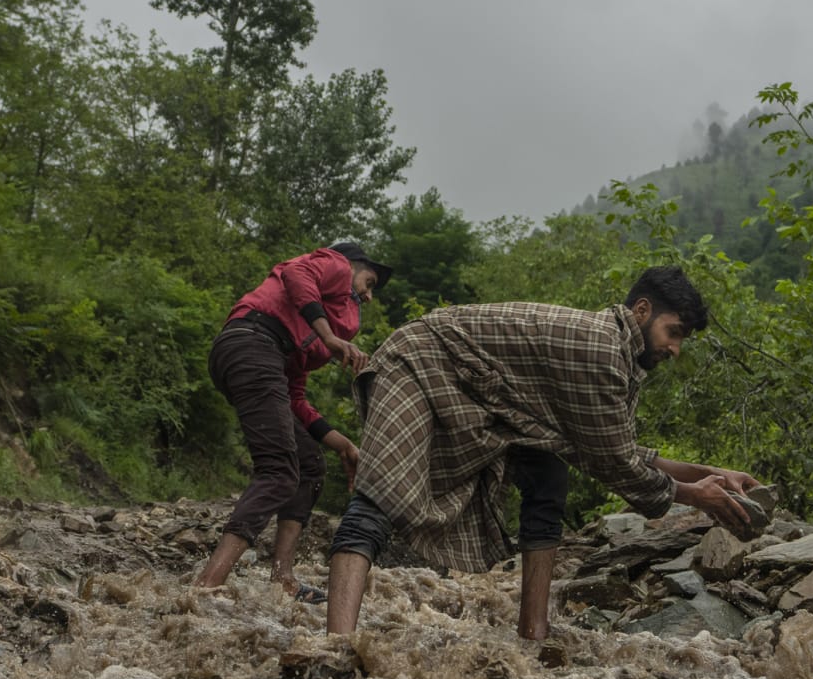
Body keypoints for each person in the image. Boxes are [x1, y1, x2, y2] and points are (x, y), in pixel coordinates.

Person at [323, 265, 759, 639]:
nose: (676, 349)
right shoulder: (602, 348)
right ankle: (335, 646)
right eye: (674, 332)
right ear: (641, 311)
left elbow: (617, 450)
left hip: (487, 398)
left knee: (549, 478)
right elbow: (617, 466)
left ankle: (533, 633)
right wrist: (696, 495)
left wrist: (711, 472)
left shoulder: (618, 359)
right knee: (378, 498)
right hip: (417, 362)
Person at [195, 242, 392, 600]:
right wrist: (329, 335)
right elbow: (295, 273)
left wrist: (343, 445)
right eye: (370, 281)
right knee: (279, 470)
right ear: (353, 266)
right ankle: (208, 583)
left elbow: (295, 398)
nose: (368, 294)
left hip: (249, 355)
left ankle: (282, 578)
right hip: (251, 344)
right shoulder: (333, 264)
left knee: (308, 464)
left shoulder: (300, 338)